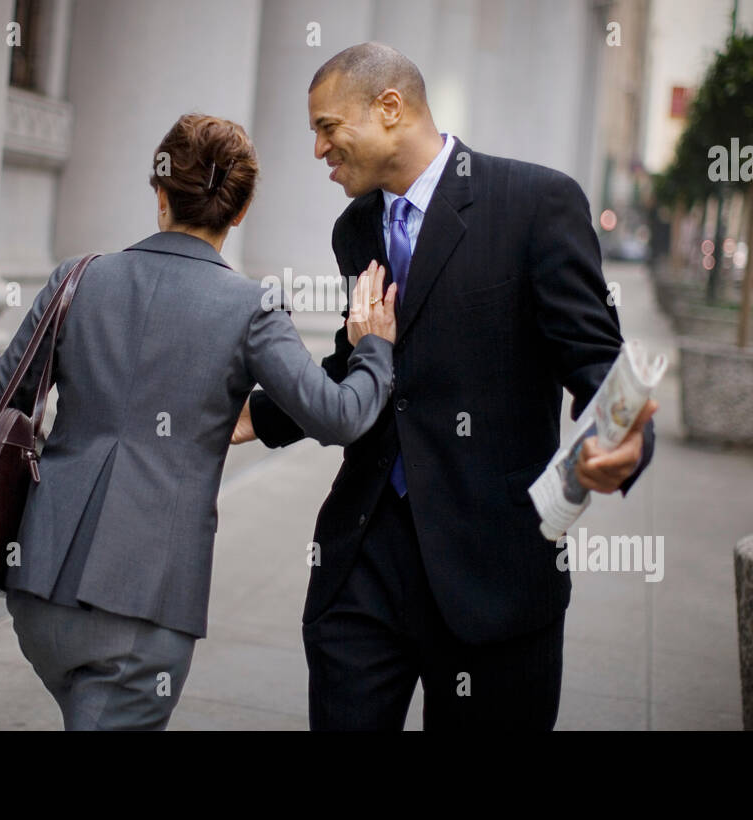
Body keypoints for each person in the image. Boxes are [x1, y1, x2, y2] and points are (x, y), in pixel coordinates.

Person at [0, 113, 397, 730]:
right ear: (240, 211)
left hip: (38, 588)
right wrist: (373, 349)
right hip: (142, 610)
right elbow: (341, 417)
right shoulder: (251, 307)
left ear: (159, 194)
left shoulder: (78, 278)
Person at [232, 43, 659, 730]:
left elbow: (598, 362)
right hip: (364, 562)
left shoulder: (536, 204)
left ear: (390, 108)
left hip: (494, 577)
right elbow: (370, 360)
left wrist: (629, 442)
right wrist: (255, 417)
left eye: (327, 126)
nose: (317, 149)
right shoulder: (358, 228)